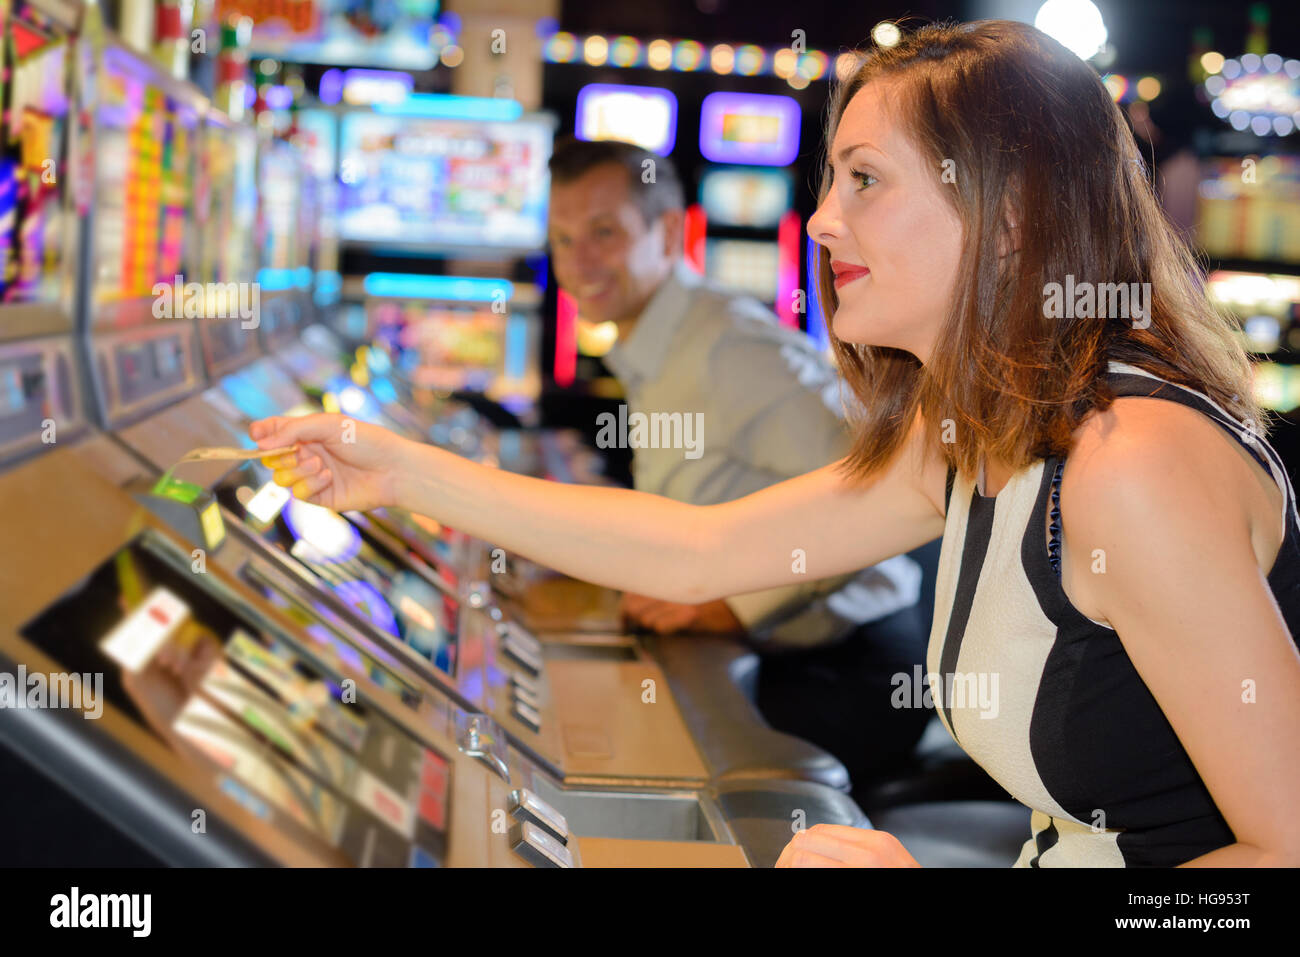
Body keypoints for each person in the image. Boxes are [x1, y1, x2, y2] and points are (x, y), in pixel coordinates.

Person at [251, 19, 1300, 867]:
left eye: (865, 181)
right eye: (830, 183)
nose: (823, 222)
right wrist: (392, 468)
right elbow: (699, 550)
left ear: (1009, 212)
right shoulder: (978, 426)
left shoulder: (1131, 464)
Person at [544, 134, 930, 784]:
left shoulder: (727, 349)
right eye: (561, 239)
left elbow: (878, 487)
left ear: (668, 233)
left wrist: (733, 605)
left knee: (638, 759)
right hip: (788, 652)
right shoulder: (659, 341)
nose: (578, 261)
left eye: (603, 232)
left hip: (854, 672)